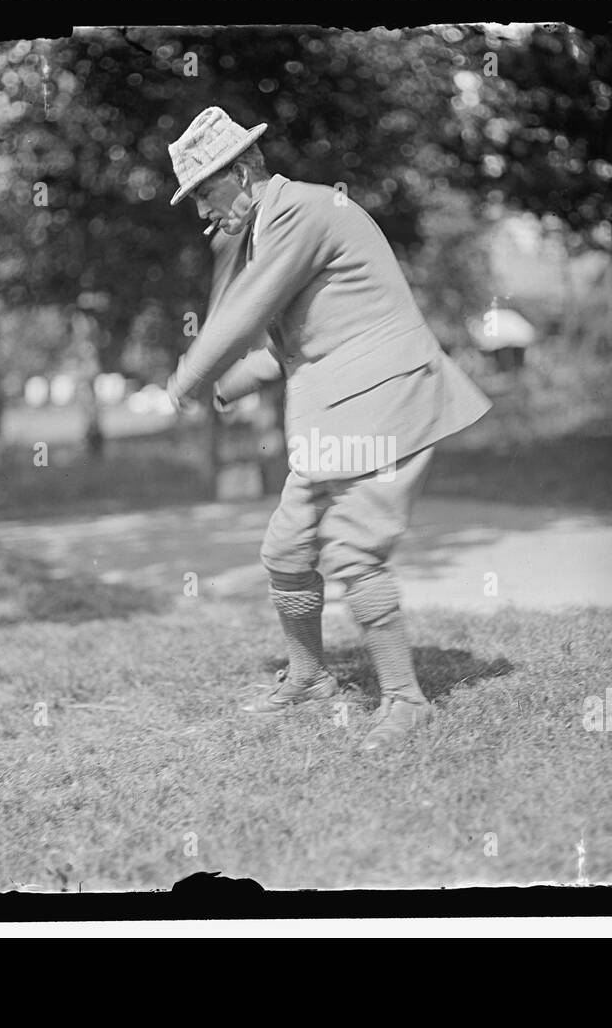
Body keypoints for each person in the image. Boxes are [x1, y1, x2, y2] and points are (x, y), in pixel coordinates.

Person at [165, 107, 492, 752]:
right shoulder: (266, 230)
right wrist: (230, 383)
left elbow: (243, 314)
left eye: (206, 190)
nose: (204, 212)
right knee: (286, 550)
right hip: (334, 409)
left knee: (352, 549)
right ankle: (309, 676)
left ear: (243, 168)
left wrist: (190, 375)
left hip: (384, 395)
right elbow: (292, 343)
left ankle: (405, 698)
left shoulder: (300, 212)